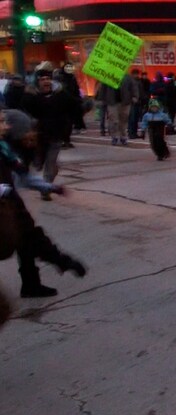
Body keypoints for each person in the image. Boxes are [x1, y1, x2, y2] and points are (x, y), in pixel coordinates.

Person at [0, 109, 86, 298]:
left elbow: (25, 177)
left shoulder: (9, 151)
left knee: (27, 241)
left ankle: (31, 284)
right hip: (6, 205)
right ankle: (61, 263)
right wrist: (4, 190)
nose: (5, 126)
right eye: (1, 122)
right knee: (29, 238)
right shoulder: (7, 151)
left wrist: (51, 188)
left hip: (11, 204)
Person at [21, 65, 76, 198]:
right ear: (38, 81)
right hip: (38, 136)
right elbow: (25, 113)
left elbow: (72, 108)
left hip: (56, 134)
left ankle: (45, 190)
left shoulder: (61, 95)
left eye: (48, 79)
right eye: (42, 79)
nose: (46, 81)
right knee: (39, 163)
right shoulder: (32, 96)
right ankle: (44, 181)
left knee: (50, 164)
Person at [95, 73, 139, 146]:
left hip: (125, 102)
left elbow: (134, 87)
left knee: (123, 121)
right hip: (112, 102)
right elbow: (103, 88)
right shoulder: (108, 77)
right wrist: (101, 99)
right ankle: (114, 136)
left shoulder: (127, 77)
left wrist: (135, 96)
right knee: (114, 120)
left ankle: (123, 136)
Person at [57, 63, 83, 147]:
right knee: (64, 123)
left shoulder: (72, 77)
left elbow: (76, 88)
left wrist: (78, 98)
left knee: (69, 123)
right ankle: (64, 140)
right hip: (63, 103)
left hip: (72, 103)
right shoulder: (61, 78)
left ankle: (66, 140)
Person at [127, 68, 146, 139]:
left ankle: (134, 133)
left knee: (136, 119)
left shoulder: (139, 81)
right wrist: (131, 98)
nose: (137, 75)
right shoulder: (129, 81)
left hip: (138, 101)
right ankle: (131, 133)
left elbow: (141, 91)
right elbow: (126, 91)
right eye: (136, 74)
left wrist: (143, 98)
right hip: (132, 102)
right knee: (132, 118)